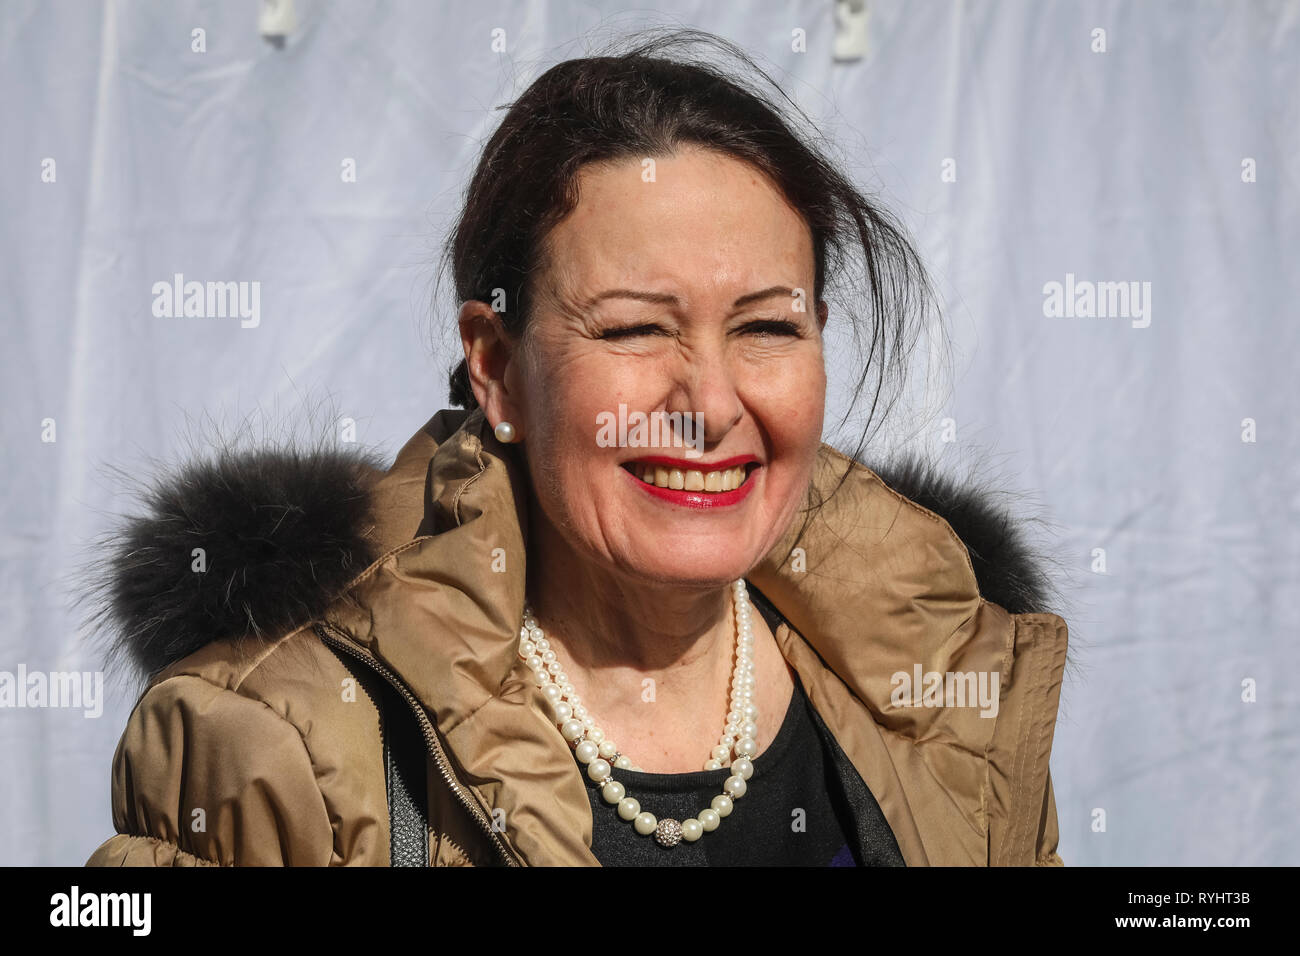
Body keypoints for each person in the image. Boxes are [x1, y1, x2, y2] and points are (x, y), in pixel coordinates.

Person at [84, 29, 1067, 867]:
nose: (709, 403)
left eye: (767, 326)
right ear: (498, 367)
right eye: (636, 328)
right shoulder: (278, 742)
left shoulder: (944, 692)